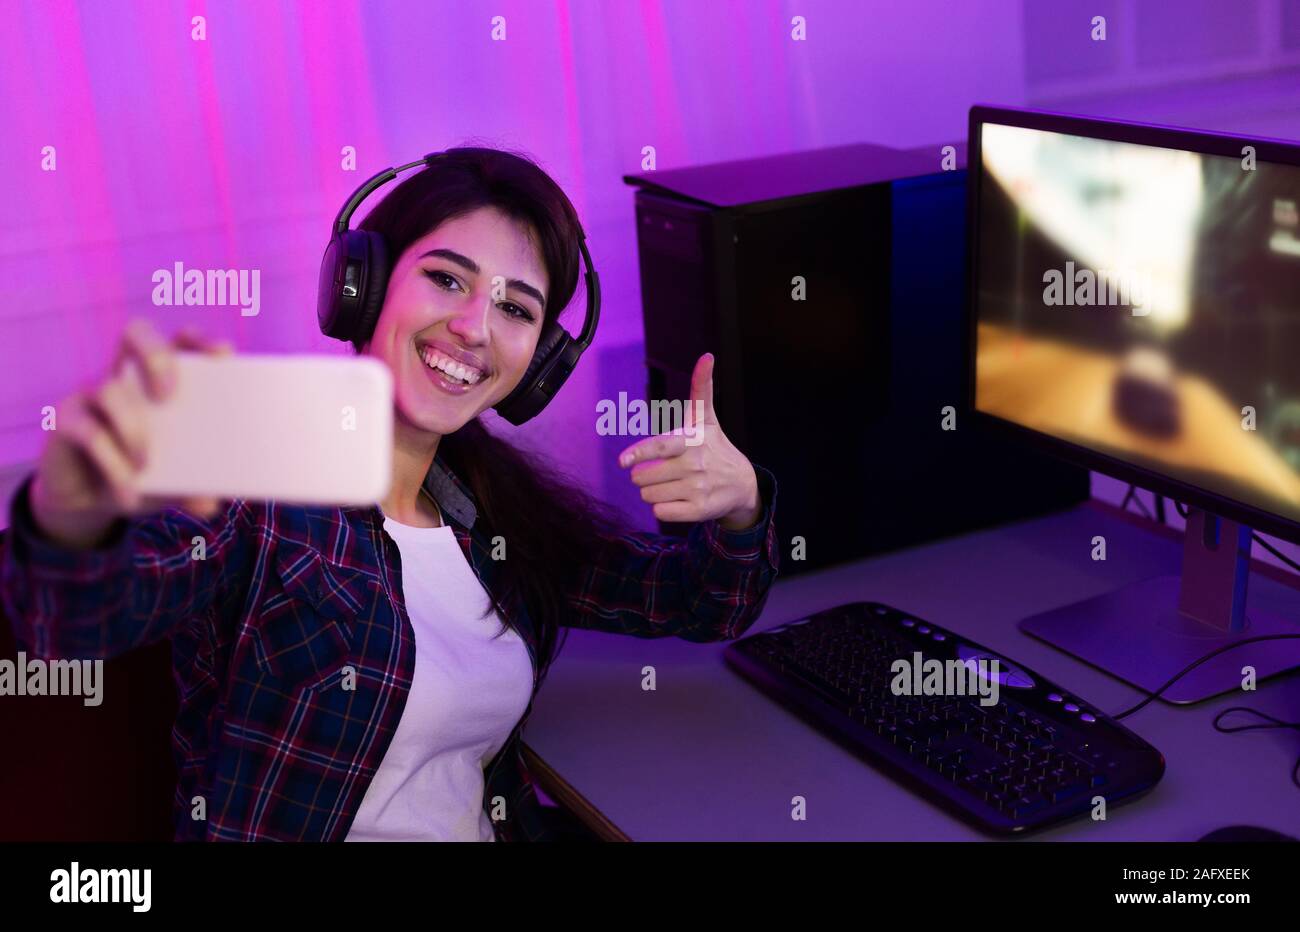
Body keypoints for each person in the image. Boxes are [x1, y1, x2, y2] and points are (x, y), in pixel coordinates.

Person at [0, 147, 780, 841]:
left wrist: (740, 506)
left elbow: (701, 601)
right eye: (446, 278)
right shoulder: (262, 488)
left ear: (537, 363)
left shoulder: (495, 517)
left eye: (514, 309)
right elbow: (73, 616)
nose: (475, 327)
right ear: (362, 285)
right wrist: (72, 513)